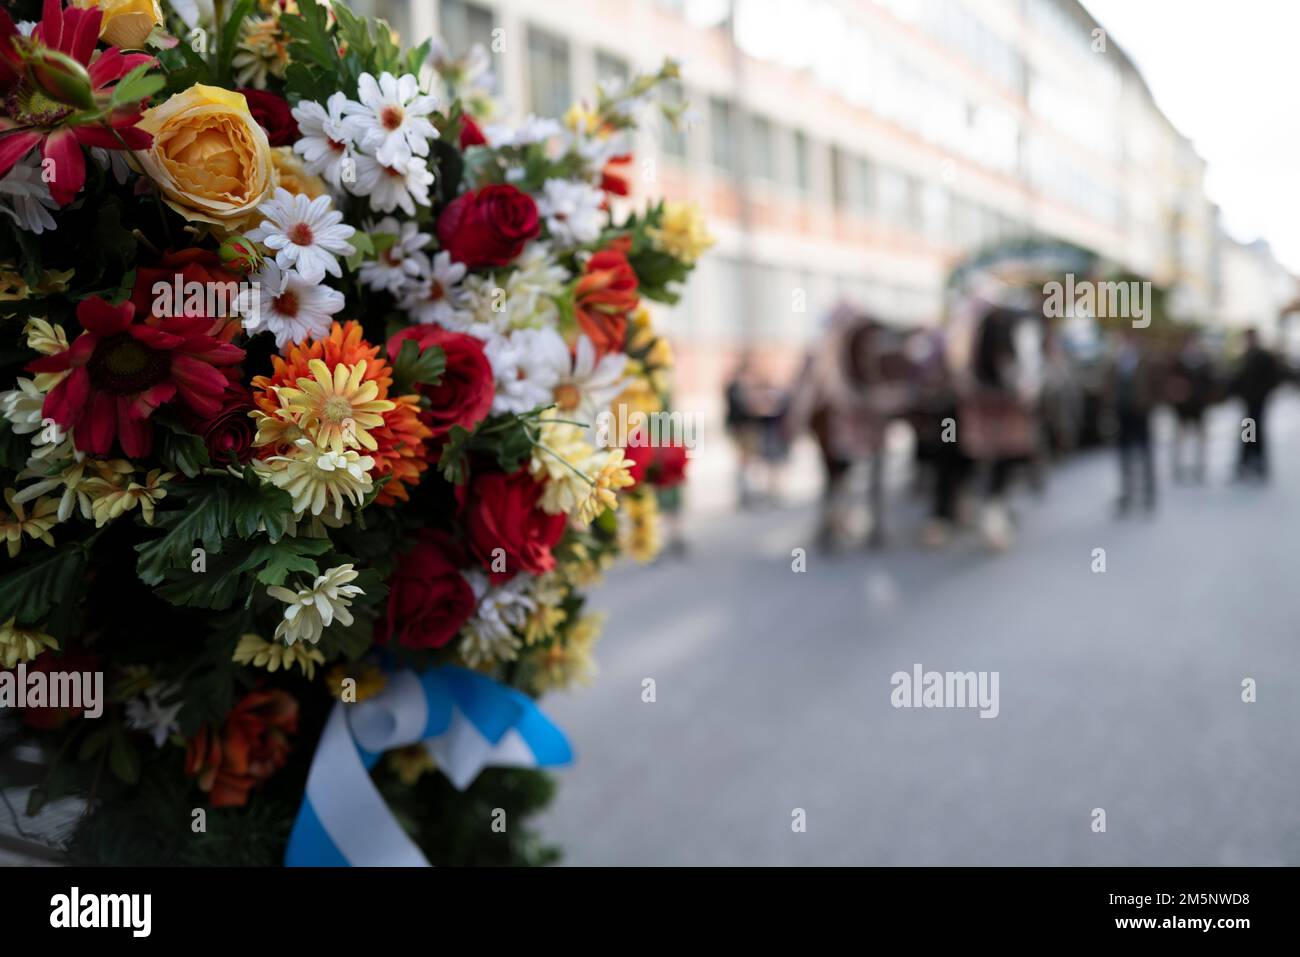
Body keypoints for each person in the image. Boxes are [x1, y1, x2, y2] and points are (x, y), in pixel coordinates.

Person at [1106, 328, 1159, 515]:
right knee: (1124, 455)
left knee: (1145, 454)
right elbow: (1109, 387)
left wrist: (1148, 404)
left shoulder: (1146, 361)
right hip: (1123, 413)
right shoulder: (1116, 362)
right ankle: (1127, 493)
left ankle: (1148, 494)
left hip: (1141, 413)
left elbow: (1156, 385)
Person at [1230, 328, 1285, 481]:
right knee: (1249, 429)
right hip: (1248, 401)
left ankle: (1256, 461)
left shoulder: (1263, 357)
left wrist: (1262, 393)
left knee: (1255, 430)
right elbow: (1238, 379)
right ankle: (1247, 460)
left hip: (1258, 401)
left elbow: (1273, 378)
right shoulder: (1246, 356)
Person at [1166, 329, 1214, 483]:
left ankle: (1199, 466)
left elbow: (1210, 383)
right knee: (1180, 438)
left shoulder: (1203, 361)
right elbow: (1171, 383)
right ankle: (1179, 466)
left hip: (1199, 406)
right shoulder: (1178, 362)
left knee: (1200, 438)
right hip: (1182, 407)